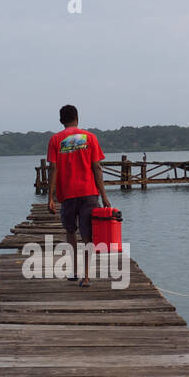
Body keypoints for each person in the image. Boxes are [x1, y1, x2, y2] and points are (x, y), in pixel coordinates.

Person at [46, 104, 110, 287]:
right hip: (89, 192)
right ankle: (87, 276)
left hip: (67, 193)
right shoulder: (90, 137)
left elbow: (53, 168)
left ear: (61, 120)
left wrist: (50, 197)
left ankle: (74, 271)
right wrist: (104, 196)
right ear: (77, 118)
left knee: (70, 231)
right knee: (87, 234)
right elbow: (97, 167)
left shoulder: (55, 139)